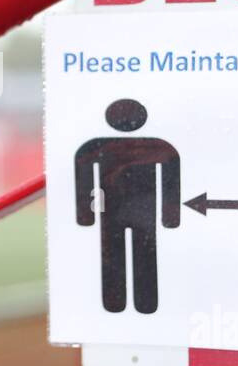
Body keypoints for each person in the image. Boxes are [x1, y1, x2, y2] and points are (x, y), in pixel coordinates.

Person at [75, 99, 180, 314]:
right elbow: (84, 177)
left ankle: (140, 303)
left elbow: (171, 178)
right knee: (118, 257)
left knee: (140, 257)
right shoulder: (99, 147)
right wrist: (85, 214)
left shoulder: (156, 146)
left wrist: (171, 215)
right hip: (116, 213)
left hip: (136, 214)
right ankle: (120, 303)